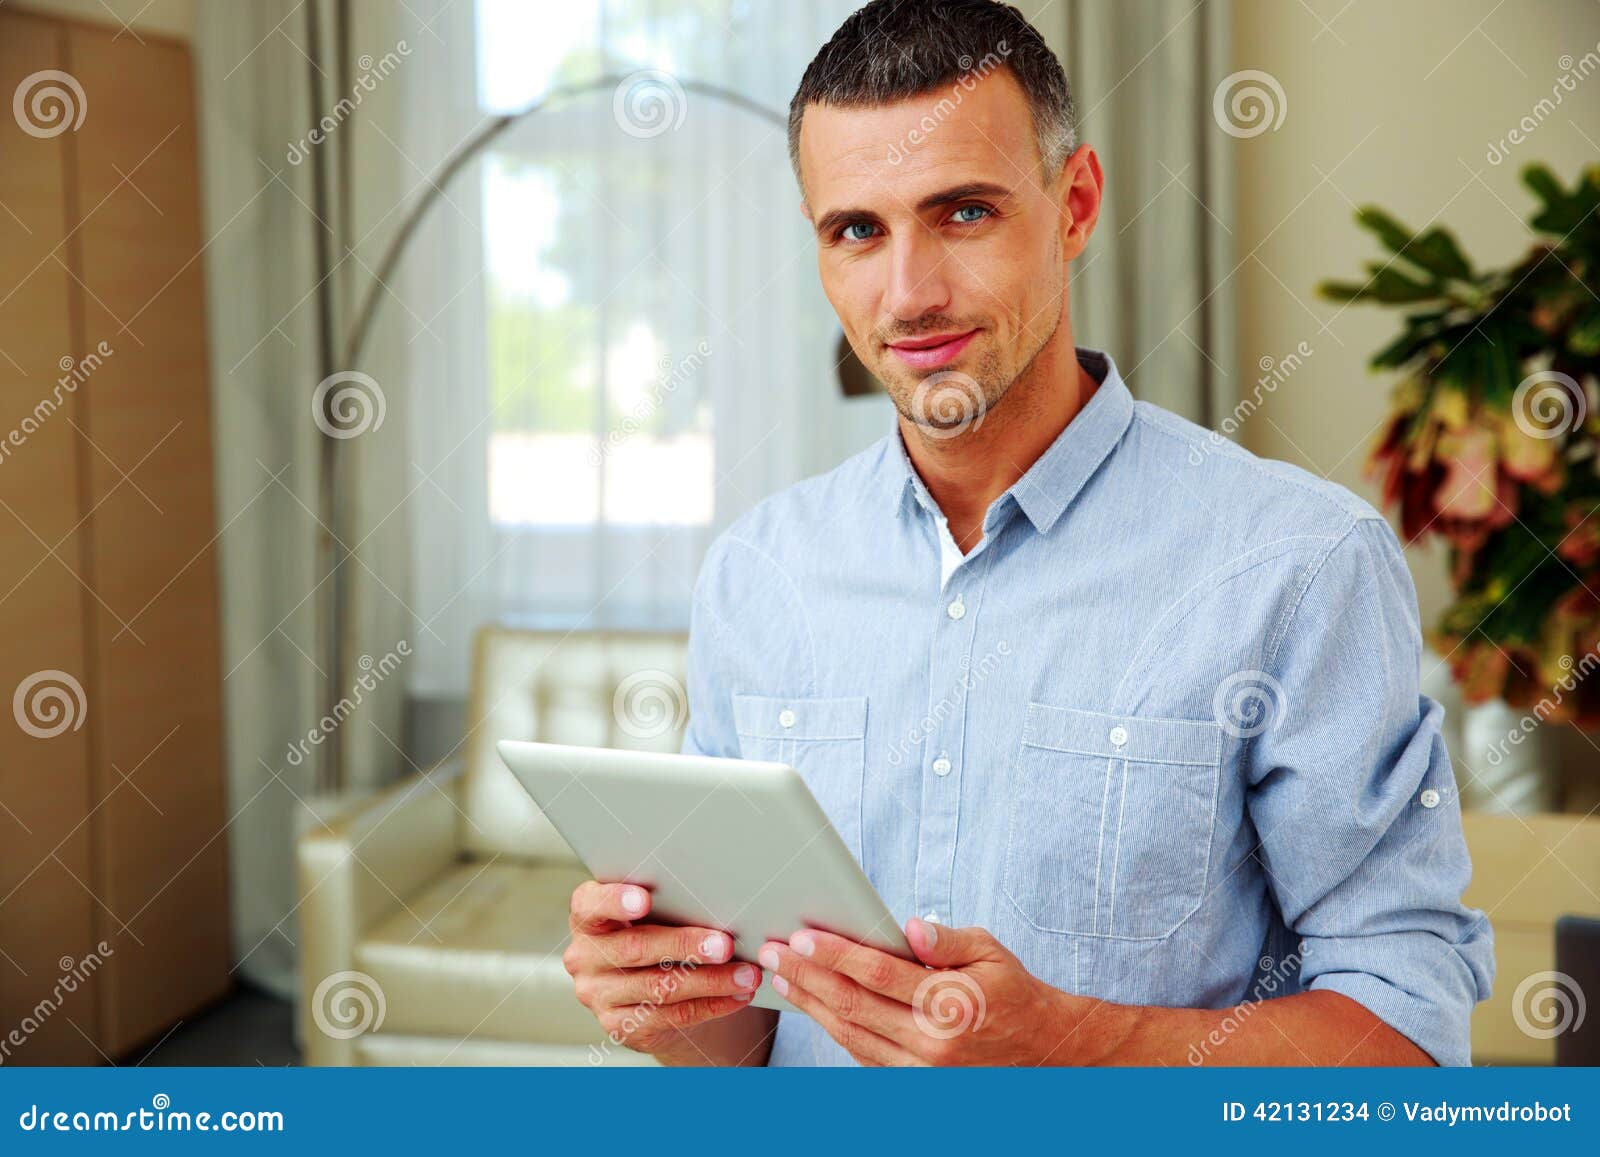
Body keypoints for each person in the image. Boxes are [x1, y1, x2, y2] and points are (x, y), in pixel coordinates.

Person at [562, 0, 1493, 1067]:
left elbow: (1411, 1043)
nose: (907, 294)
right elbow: (746, 1041)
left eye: (962, 213)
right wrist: (664, 998)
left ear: (1076, 205)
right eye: (856, 229)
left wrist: (1074, 1045)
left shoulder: (1299, 564)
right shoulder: (757, 572)